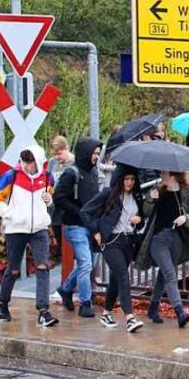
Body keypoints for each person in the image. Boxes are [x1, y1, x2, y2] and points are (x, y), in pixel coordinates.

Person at [0, 146, 58, 326]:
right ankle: (2, 304)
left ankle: (44, 311)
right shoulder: (11, 176)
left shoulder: (47, 177)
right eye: (25, 162)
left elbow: (49, 195)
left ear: (38, 161)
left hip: (39, 228)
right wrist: (12, 214)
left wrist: (48, 200)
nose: (27, 166)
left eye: (31, 162)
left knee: (42, 267)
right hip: (16, 229)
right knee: (13, 269)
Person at [136, 170, 189, 328]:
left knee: (164, 275)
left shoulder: (184, 192)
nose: (160, 174)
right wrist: (150, 199)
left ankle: (153, 307)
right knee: (171, 274)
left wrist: (186, 218)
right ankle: (180, 312)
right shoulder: (158, 190)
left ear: (171, 174)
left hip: (177, 239)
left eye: (163, 172)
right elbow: (146, 212)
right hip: (158, 240)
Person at [79, 166, 145, 333]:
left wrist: (139, 219)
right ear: (120, 179)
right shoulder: (109, 193)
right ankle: (130, 317)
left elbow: (141, 220)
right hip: (110, 241)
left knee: (116, 278)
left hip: (128, 241)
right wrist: (95, 232)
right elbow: (85, 212)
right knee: (123, 276)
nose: (129, 183)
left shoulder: (137, 196)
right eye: (126, 179)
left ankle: (106, 313)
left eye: (132, 179)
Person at [53, 137, 102, 317]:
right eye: (94, 153)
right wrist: (78, 210)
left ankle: (66, 289)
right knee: (86, 263)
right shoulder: (71, 173)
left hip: (91, 224)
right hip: (75, 225)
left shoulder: (94, 172)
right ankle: (85, 303)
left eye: (98, 153)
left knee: (89, 263)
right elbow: (58, 197)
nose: (96, 157)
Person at [45, 135, 75, 298]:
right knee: (64, 251)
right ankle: (66, 282)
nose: (57, 158)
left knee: (74, 249)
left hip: (70, 210)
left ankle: (70, 283)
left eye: (59, 154)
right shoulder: (52, 163)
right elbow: (47, 182)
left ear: (67, 149)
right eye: (55, 154)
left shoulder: (75, 163)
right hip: (56, 213)